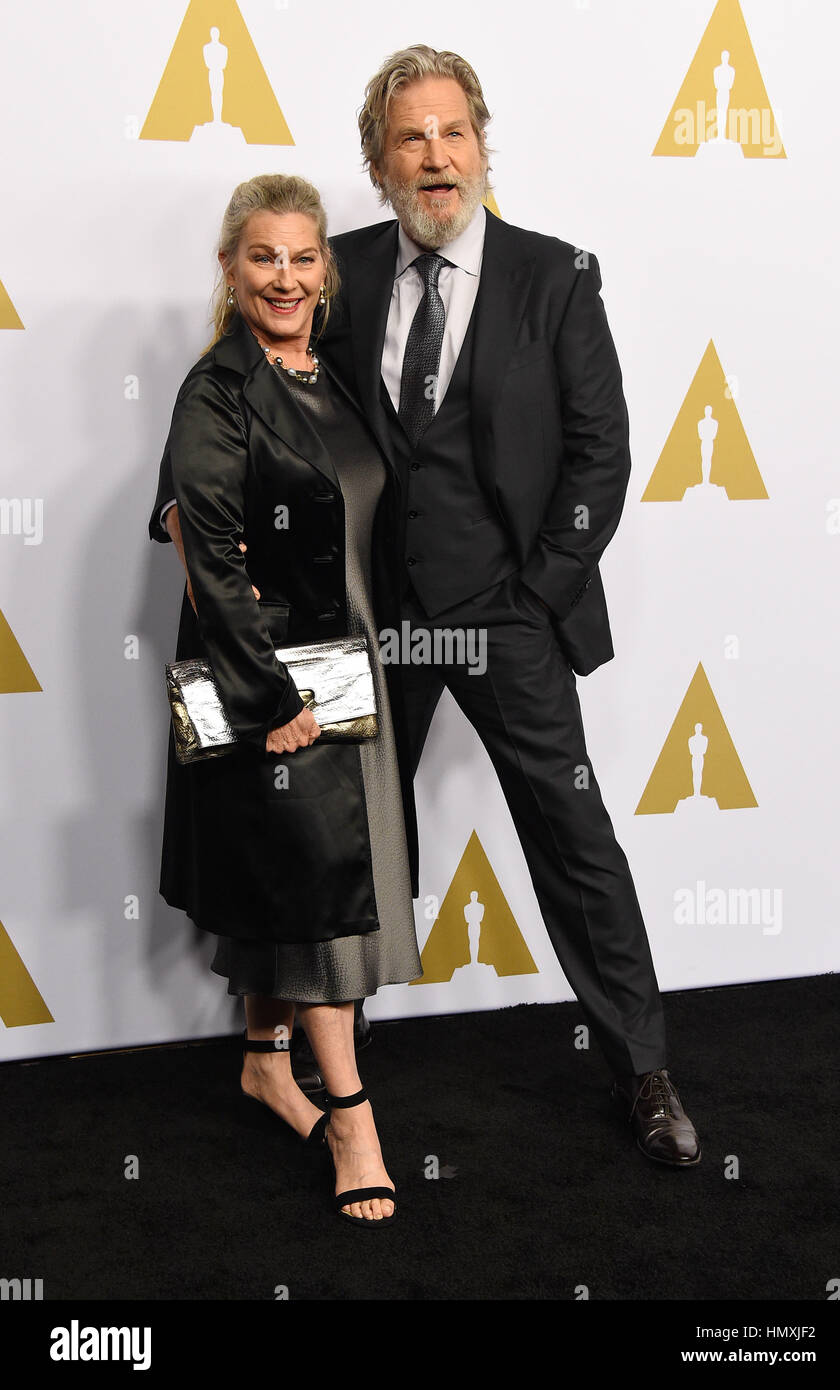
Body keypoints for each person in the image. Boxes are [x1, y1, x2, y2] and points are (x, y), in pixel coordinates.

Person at [157, 46, 702, 1167]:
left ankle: (642, 1068)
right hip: (367, 624)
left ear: (481, 145)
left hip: (506, 614)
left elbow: (601, 457)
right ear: (378, 159)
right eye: (410, 136)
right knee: (317, 828)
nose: (435, 155)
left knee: (574, 837)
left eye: (452, 132)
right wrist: (185, 507)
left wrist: (540, 597)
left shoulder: (555, 278)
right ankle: (291, 1051)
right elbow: (250, 385)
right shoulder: (336, 267)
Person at [148, 173, 422, 1224]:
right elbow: (204, 548)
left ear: (324, 271)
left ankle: (266, 1063)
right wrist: (267, 693)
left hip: (350, 662)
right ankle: (351, 1116)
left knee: (298, 877)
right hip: (277, 679)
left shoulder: (333, 373)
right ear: (229, 269)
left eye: (303, 257)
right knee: (314, 892)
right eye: (263, 256)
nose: (285, 276)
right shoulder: (215, 389)